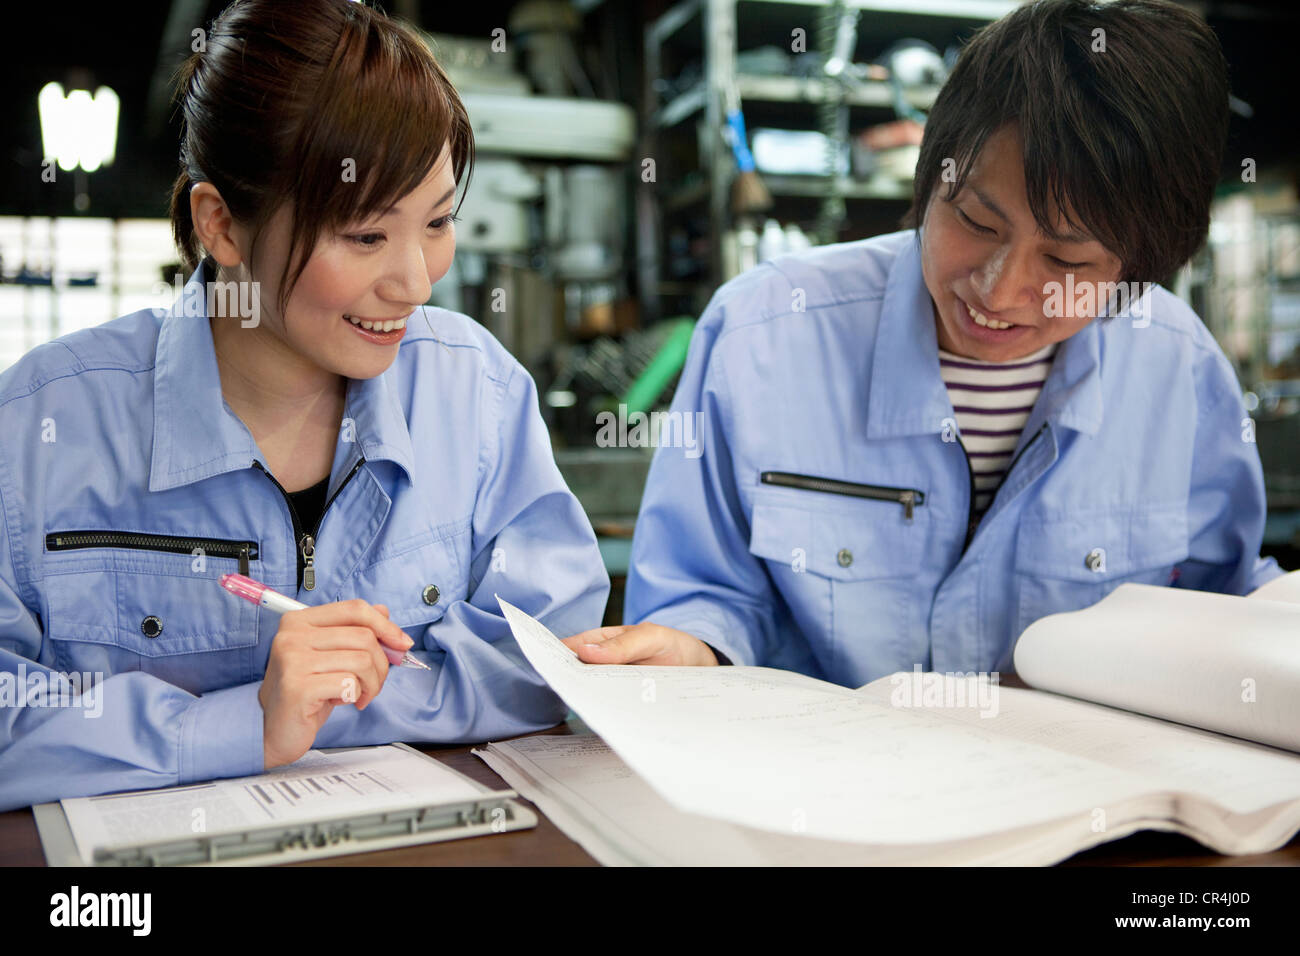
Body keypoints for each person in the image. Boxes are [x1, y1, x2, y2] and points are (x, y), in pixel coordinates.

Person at [0, 0, 608, 812]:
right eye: (364, 237)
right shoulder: (44, 424)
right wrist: (239, 724)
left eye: (436, 223)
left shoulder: (476, 392)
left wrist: (322, 706)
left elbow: (546, 660)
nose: (415, 283)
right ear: (221, 226)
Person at [565, 0, 1282, 684]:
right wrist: (686, 654)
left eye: (1065, 262)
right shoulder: (764, 332)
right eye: (974, 219)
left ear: (1140, 269)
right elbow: (704, 599)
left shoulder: (1176, 366)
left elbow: (1217, 601)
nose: (998, 292)